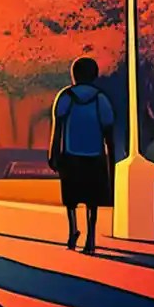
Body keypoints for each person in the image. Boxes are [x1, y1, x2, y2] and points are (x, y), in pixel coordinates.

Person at [49, 56, 116, 254]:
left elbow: (57, 129)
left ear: (74, 75)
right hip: (94, 156)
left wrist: (53, 154)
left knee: (70, 198)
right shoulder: (101, 99)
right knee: (92, 201)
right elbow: (108, 132)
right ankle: (90, 238)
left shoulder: (65, 97)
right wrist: (111, 160)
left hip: (70, 155)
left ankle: (73, 231)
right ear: (94, 75)